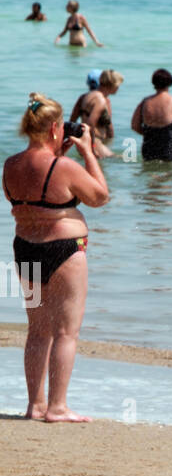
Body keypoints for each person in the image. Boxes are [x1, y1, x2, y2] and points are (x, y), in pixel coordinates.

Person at [2, 94, 109, 421]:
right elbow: (100, 196)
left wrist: (58, 156)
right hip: (64, 250)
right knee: (66, 331)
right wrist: (88, 153)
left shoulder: (10, 164)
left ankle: (35, 405)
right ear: (53, 128)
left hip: (26, 251)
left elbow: (30, 199)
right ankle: (58, 407)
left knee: (37, 330)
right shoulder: (64, 166)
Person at [131, 69, 172, 162]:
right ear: (170, 82)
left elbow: (135, 126)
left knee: (150, 174)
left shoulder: (144, 103)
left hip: (149, 150)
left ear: (153, 83)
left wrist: (149, 134)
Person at [78, 69, 124, 159]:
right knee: (123, 160)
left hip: (86, 141)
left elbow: (73, 119)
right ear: (112, 85)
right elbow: (90, 124)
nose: (118, 88)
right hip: (94, 142)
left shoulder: (86, 96)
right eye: (118, 86)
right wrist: (93, 148)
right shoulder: (100, 100)